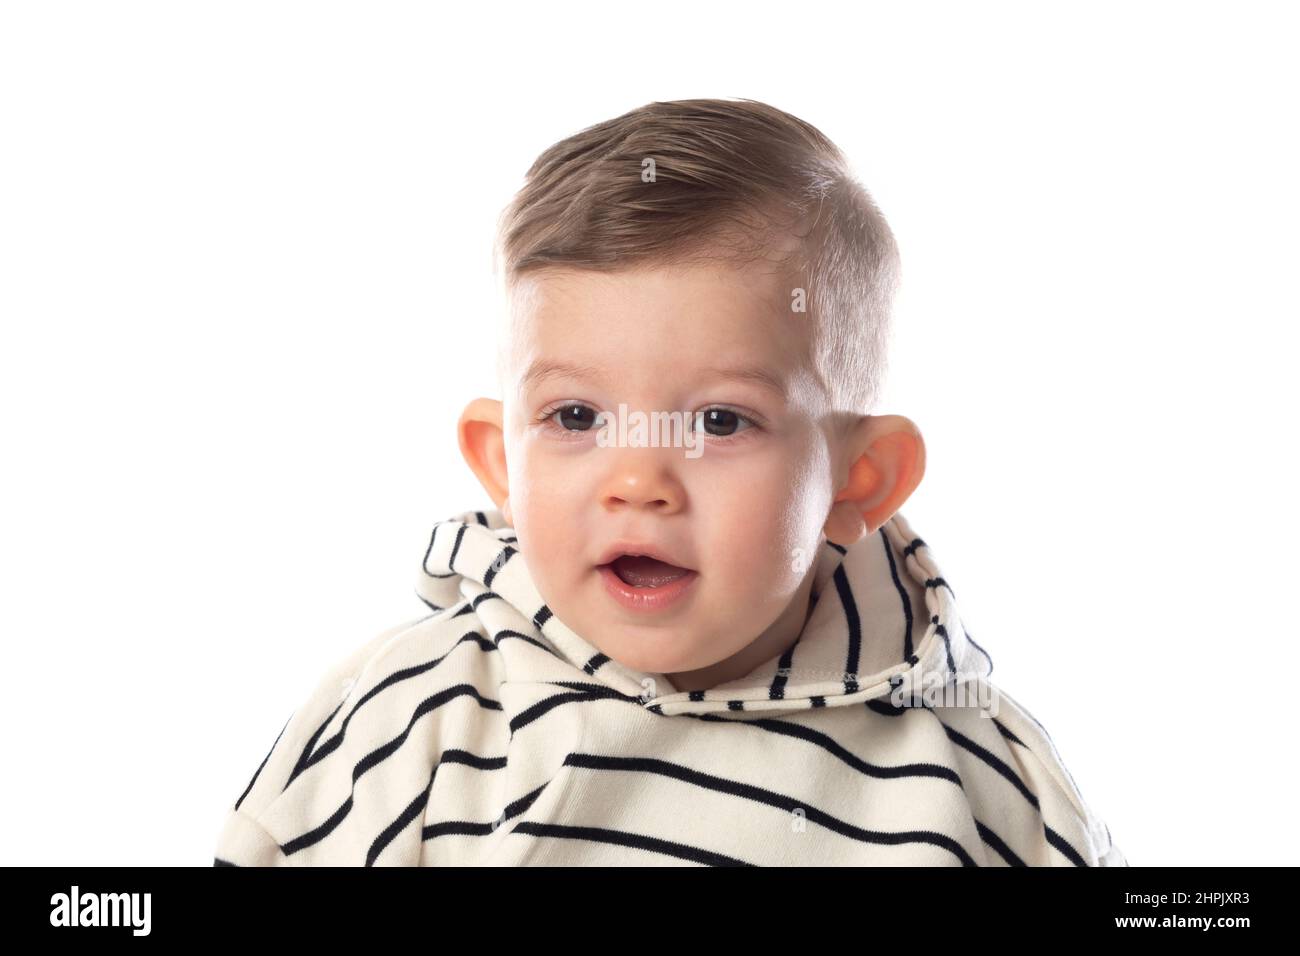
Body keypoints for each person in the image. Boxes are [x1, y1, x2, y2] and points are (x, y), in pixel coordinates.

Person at [213, 97, 1125, 866]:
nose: (638, 481)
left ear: (860, 479)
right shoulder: (411, 723)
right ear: (500, 461)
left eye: (719, 422)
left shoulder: (977, 783)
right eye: (576, 419)